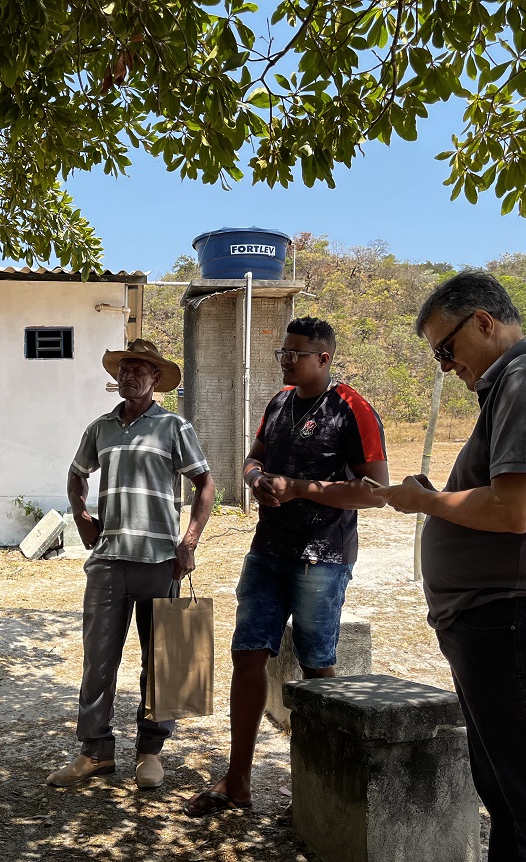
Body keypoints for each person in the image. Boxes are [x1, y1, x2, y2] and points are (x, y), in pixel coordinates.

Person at [372, 270, 526, 860]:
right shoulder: (521, 382)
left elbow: (513, 508)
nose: (446, 366)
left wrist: (426, 502)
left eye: (446, 349)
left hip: (517, 617)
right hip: (504, 619)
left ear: (483, 321)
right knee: (515, 805)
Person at [183, 316, 389, 817]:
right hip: (268, 552)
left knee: (318, 667)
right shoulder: (278, 403)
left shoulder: (352, 409)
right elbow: (253, 458)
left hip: (323, 556)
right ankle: (237, 781)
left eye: (295, 354)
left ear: (324, 357)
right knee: (247, 655)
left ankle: (324, 798)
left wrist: (298, 489)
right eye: (283, 352)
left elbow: (377, 491)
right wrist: (256, 479)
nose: (285, 361)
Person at [47, 338, 214, 792]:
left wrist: (189, 541)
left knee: (164, 660)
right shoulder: (100, 428)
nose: (130, 376)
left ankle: (150, 752)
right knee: (98, 660)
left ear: (156, 378)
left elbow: (205, 483)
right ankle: (95, 752)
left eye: (140, 369)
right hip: (108, 561)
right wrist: (81, 515)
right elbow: (77, 474)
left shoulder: (174, 426)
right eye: (124, 369)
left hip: (160, 562)